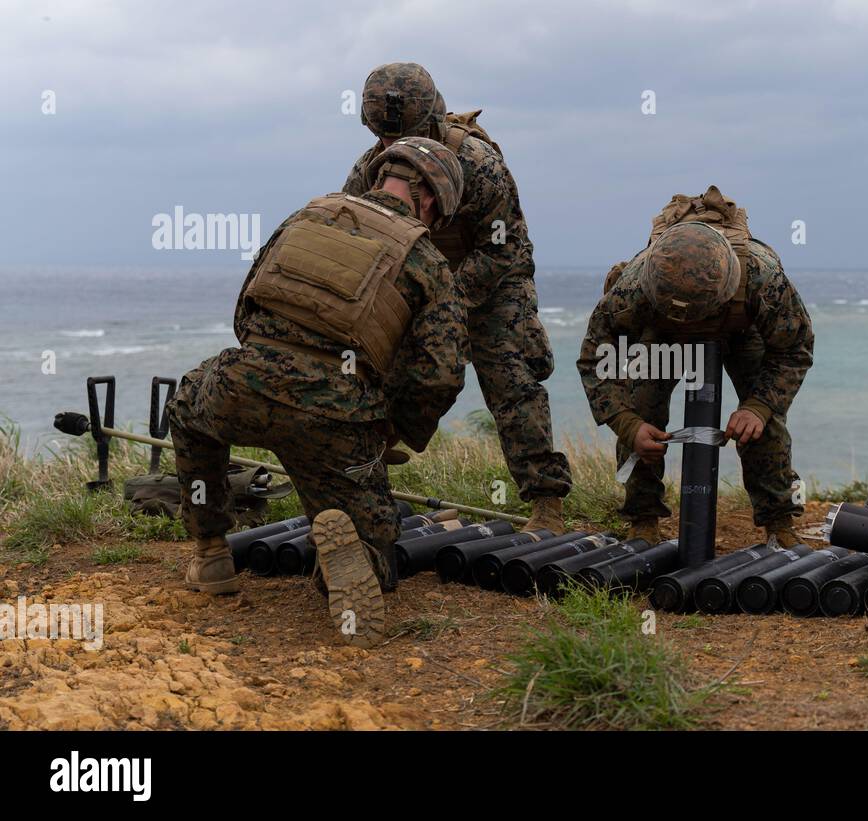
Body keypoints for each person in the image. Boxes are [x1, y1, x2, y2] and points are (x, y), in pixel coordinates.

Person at [168, 137, 468, 647]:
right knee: (377, 541)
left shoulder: (308, 215)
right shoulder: (426, 260)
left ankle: (212, 551)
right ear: (432, 200)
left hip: (244, 387)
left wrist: (269, 365)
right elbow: (440, 372)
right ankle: (349, 560)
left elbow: (246, 309)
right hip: (338, 419)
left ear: (380, 177)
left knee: (188, 406)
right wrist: (394, 430)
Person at [342, 62, 570, 533]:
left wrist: (447, 296)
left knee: (512, 382)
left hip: (490, 280)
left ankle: (547, 504)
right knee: (374, 371)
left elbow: (503, 246)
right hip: (421, 282)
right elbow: (357, 236)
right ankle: (366, 485)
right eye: (383, 139)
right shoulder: (372, 170)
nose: (390, 148)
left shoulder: (478, 165)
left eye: (399, 137)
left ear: (430, 122)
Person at [577, 186, 815, 546]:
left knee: (762, 426)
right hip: (663, 332)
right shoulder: (634, 288)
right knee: (641, 412)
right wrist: (626, 424)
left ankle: (779, 521)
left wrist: (759, 406)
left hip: (740, 329)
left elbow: (794, 347)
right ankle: (642, 520)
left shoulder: (762, 278)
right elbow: (597, 356)